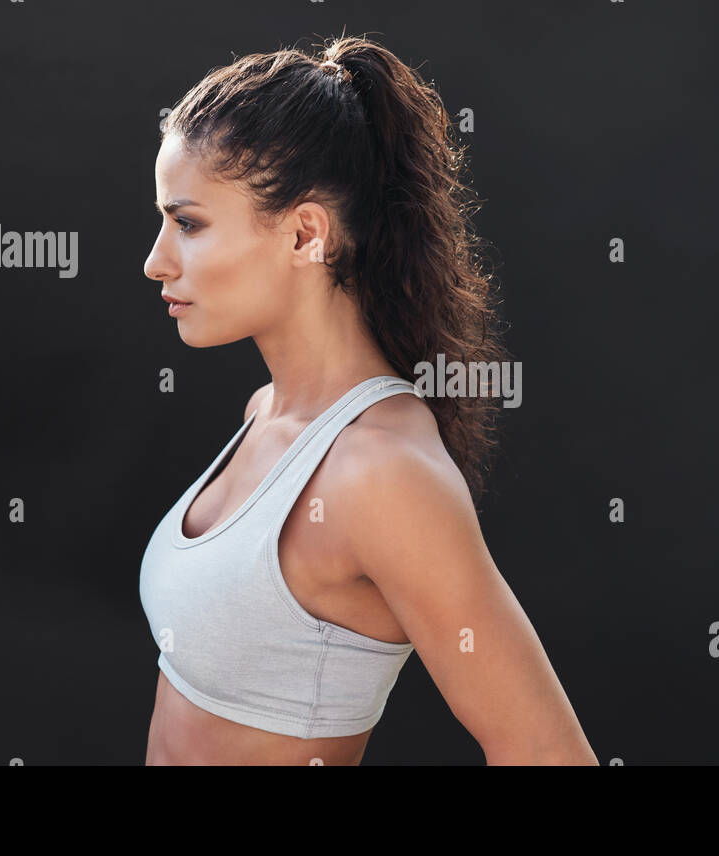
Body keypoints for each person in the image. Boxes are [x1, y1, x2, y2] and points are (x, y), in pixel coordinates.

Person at [139, 36, 597, 765]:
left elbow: (546, 753)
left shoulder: (381, 471)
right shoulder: (265, 413)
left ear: (304, 234)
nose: (155, 260)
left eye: (188, 223)